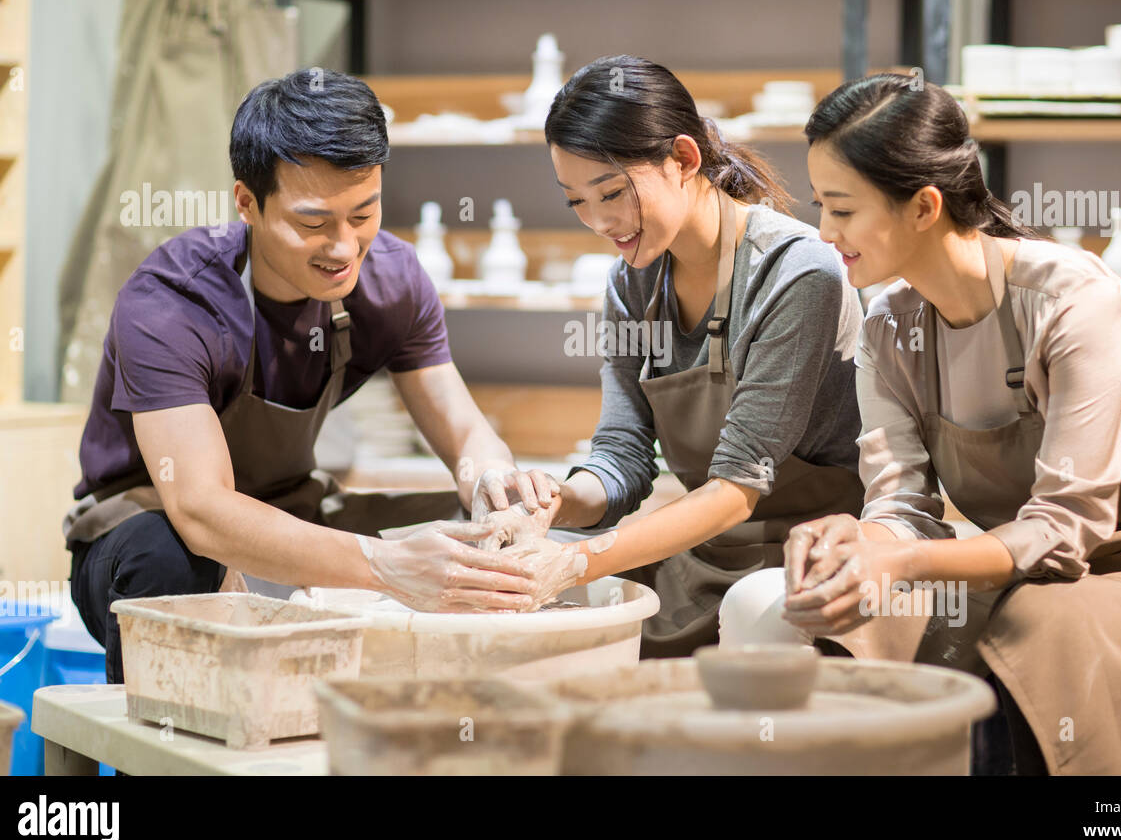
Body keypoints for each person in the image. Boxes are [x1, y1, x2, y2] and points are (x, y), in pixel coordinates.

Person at [731, 72, 1121, 775]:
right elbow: (903, 508)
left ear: (924, 206)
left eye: (841, 209)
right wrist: (855, 541)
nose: (824, 233)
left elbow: (1063, 529)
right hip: (1038, 572)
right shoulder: (890, 327)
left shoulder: (1073, 301)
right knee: (835, 611)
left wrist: (898, 560)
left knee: (1035, 626)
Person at [65, 68, 557, 682]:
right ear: (246, 201)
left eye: (364, 214)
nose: (345, 248)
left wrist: (493, 486)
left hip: (298, 513)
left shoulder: (393, 281)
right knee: (166, 557)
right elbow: (201, 509)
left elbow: (463, 433)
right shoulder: (172, 301)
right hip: (148, 528)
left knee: (486, 540)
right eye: (313, 223)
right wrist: (384, 565)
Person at [513, 55, 866, 657]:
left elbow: (736, 487)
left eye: (612, 192)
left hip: (809, 561)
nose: (600, 222)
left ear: (683, 158)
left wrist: (574, 561)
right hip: (701, 550)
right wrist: (554, 502)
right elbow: (623, 455)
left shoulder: (796, 270)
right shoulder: (632, 284)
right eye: (576, 201)